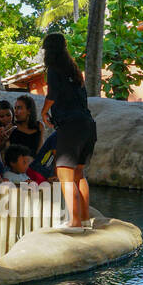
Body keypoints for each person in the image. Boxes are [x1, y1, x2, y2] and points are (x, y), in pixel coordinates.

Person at [40, 32, 96, 228]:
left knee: (65, 175)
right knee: (79, 174)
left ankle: (74, 222)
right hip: (88, 125)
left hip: (71, 127)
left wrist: (44, 111)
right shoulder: (73, 70)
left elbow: (53, 94)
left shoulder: (54, 70)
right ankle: (85, 219)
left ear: (48, 50)